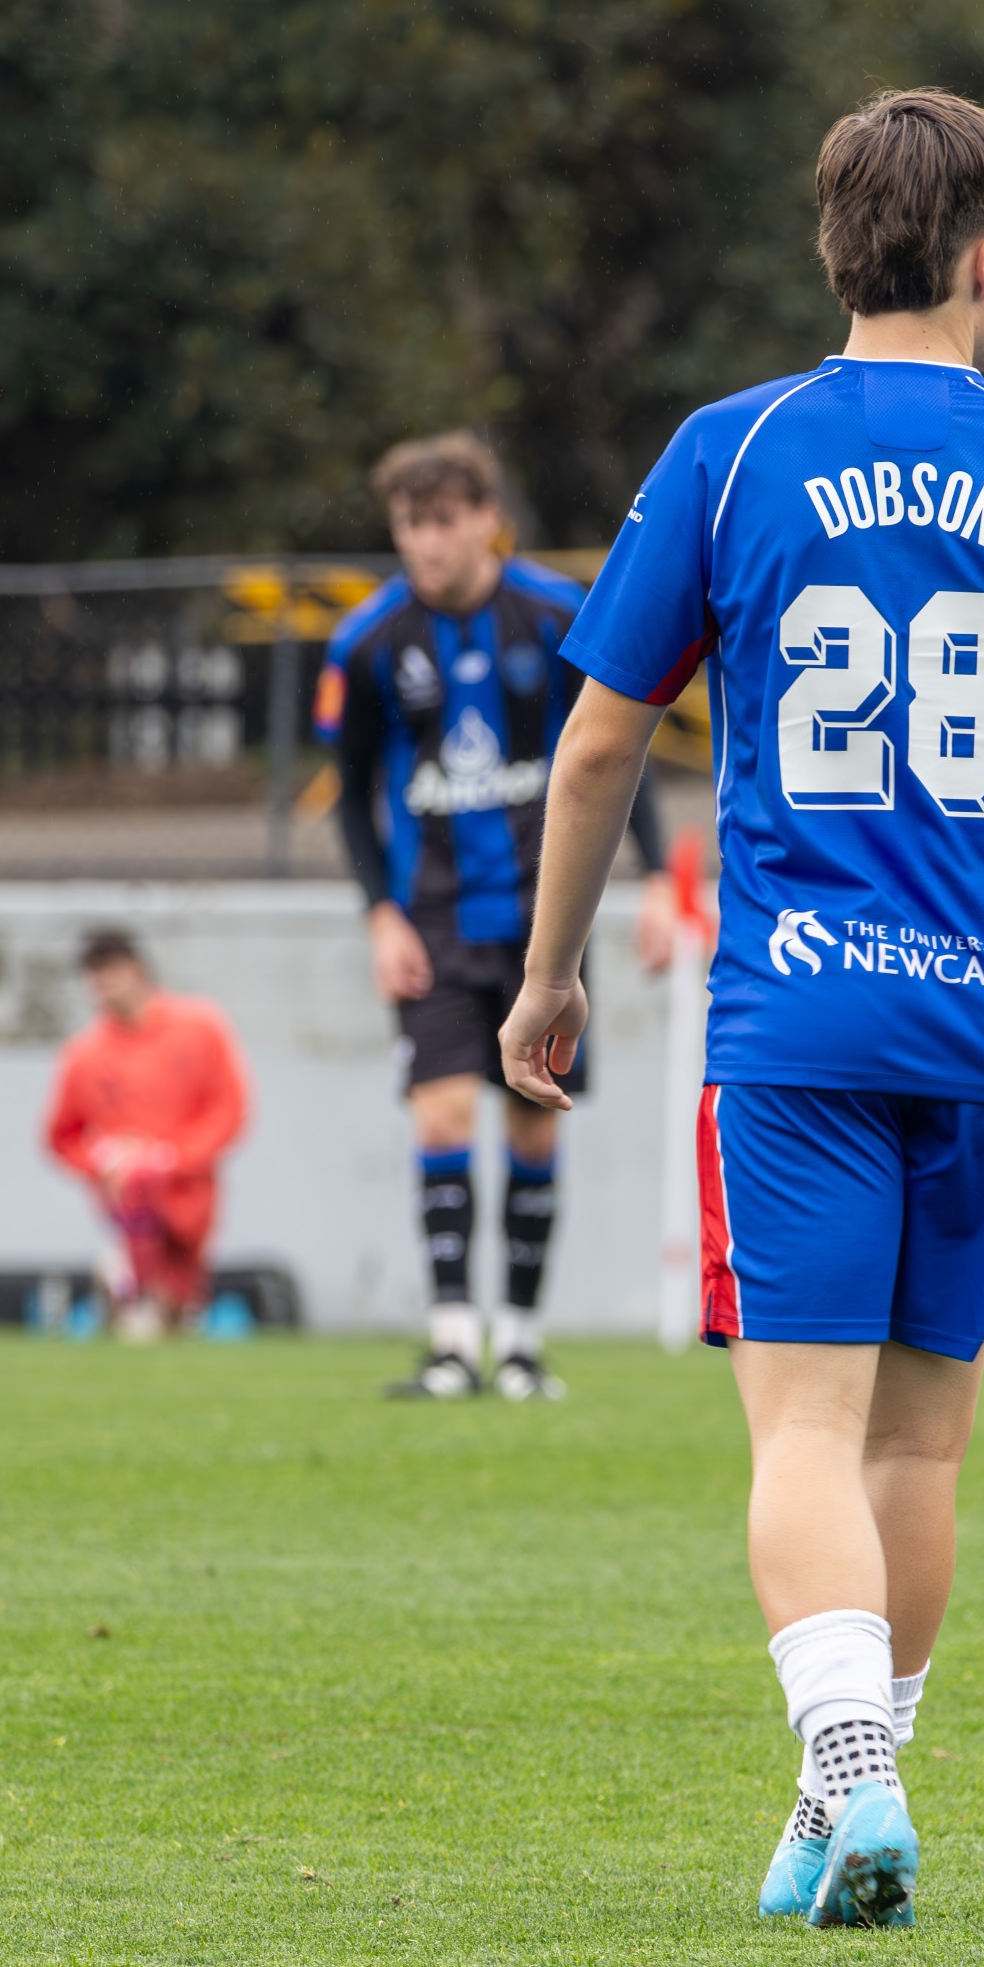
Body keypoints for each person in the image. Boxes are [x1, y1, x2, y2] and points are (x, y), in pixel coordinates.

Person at [500, 87, 984, 1929]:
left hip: (798, 1024)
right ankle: (845, 1789)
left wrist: (550, 966)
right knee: (917, 1442)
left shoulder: (731, 452)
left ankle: (847, 1768)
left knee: (798, 1433)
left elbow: (593, 747)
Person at [324, 432, 671, 1402]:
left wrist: (654, 884)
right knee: (436, 1111)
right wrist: (377, 917)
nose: (425, 544)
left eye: (442, 522)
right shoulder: (367, 643)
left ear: (485, 519)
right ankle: (448, 1343)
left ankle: (518, 1344)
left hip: (543, 922)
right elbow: (348, 794)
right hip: (431, 918)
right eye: (408, 524)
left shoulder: (557, 616)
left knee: (531, 1129)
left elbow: (616, 754)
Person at [43, 929, 251, 1338]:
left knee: (181, 1304)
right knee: (153, 1313)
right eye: (94, 977)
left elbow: (228, 1108)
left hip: (190, 1188)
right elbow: (61, 1136)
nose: (102, 986)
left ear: (136, 970)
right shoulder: (84, 1054)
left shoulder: (200, 1026)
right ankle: (134, 1288)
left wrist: (171, 1157)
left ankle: (122, 1281)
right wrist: (105, 1159)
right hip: (130, 1197)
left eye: (110, 973)